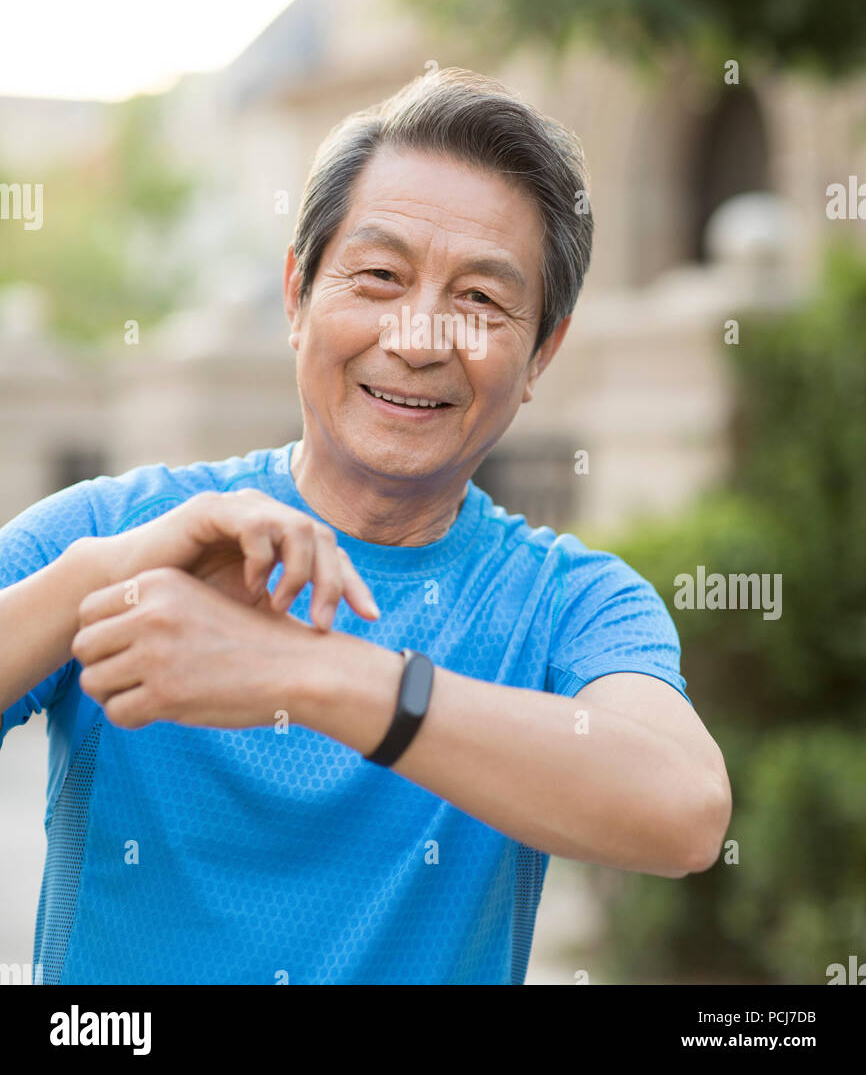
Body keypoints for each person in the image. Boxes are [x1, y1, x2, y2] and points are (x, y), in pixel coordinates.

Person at [0, 67, 731, 986]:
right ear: (298, 298)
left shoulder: (567, 602)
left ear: (542, 349)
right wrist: (94, 582)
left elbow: (686, 810)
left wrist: (314, 674)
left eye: (480, 299)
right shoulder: (114, 530)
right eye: (380, 277)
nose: (420, 338)